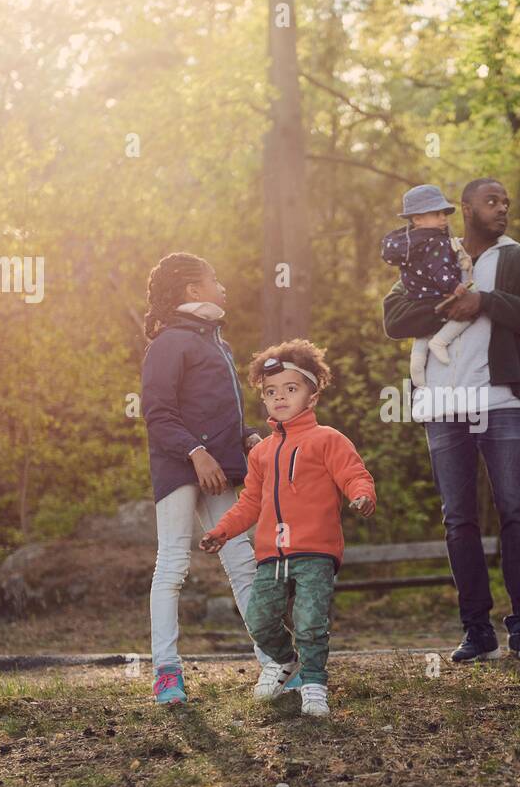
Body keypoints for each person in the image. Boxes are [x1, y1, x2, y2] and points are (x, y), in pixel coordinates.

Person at [382, 178, 520, 662]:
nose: (502, 209)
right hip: (440, 405)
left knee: (516, 510)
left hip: (499, 402)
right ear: (465, 209)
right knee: (459, 520)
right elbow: (393, 318)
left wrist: (484, 302)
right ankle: (476, 630)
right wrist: (446, 305)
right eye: (492, 201)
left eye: (507, 202)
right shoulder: (432, 250)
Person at [139, 252, 292, 704]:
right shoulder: (168, 343)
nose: (222, 287)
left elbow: (221, 413)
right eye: (214, 279)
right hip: (179, 466)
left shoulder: (218, 344)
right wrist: (196, 452)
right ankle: (167, 673)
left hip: (218, 470)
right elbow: (158, 413)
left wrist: (245, 437)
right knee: (172, 565)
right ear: (192, 290)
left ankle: (274, 663)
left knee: (243, 562)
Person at [200, 340, 376, 717]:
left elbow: (354, 475)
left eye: (290, 389)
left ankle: (314, 683)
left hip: (315, 552)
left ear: (311, 397)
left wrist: (361, 495)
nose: (279, 398)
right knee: (259, 618)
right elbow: (250, 502)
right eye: (270, 392)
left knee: (311, 621)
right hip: (271, 556)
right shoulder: (261, 453)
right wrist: (222, 530)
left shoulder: (327, 439)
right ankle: (283, 661)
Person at [380, 184, 475, 388]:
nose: (443, 218)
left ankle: (420, 382)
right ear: (417, 219)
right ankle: (440, 341)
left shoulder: (410, 244)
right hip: (437, 296)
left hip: (417, 299)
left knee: (420, 342)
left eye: (444, 213)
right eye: (436, 213)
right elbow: (438, 269)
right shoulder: (437, 242)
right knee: (469, 314)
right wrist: (454, 285)